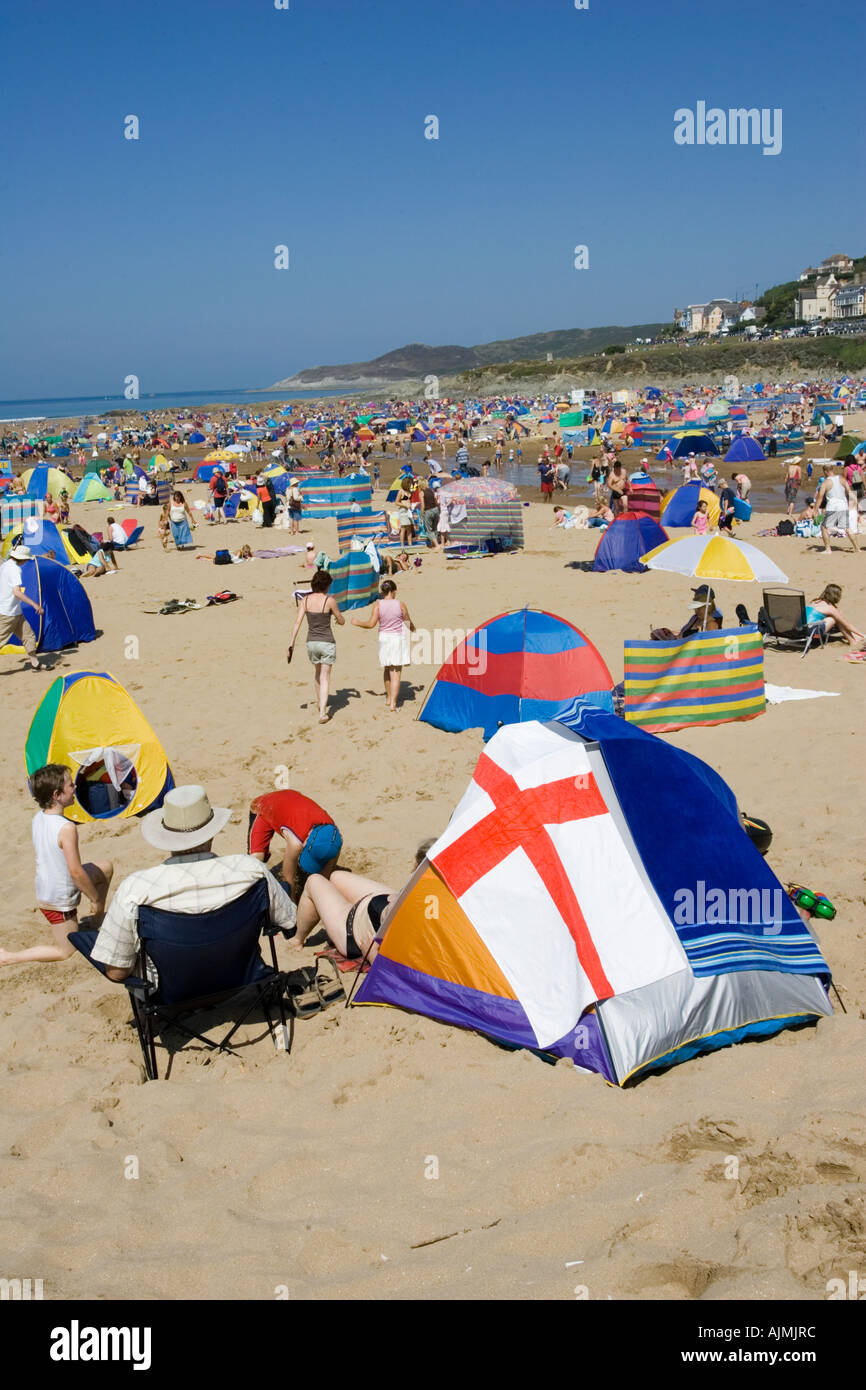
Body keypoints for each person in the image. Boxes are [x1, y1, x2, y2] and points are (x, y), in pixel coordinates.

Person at [88, 785, 295, 983]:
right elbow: (289, 921)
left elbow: (116, 972)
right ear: (212, 831)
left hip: (171, 993)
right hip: (241, 977)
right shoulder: (251, 870)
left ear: (165, 836)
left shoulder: (136, 888)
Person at [0, 764, 113, 967]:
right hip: (58, 899)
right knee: (65, 951)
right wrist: (95, 899)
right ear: (57, 794)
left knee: (105, 868)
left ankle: (95, 923)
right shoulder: (66, 828)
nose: (75, 786)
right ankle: (9, 957)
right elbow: (76, 871)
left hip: (49, 884)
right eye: (70, 785)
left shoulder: (39, 817)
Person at [292, 840, 432, 961]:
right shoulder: (429, 892)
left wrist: (371, 955)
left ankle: (297, 939)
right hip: (377, 904)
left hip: (352, 931)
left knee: (313, 881)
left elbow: (401, 964)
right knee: (336, 876)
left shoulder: (415, 913)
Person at [248, 789, 342, 899]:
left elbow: (326, 873)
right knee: (255, 860)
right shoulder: (295, 843)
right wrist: (291, 900)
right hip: (265, 806)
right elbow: (287, 878)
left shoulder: (334, 837)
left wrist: (321, 887)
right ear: (305, 841)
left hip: (292, 799)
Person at [287, 568, 345, 724]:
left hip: (311, 642)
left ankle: (320, 702)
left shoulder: (305, 600)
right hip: (326, 642)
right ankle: (322, 713)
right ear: (326, 586)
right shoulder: (329, 600)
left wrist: (291, 643)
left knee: (317, 673)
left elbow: (297, 623)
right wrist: (337, 618)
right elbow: (341, 620)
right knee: (325, 677)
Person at [351, 578, 416, 712]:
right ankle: (393, 703)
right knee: (396, 672)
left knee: (387, 669)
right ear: (394, 591)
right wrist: (414, 630)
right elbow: (408, 622)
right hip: (397, 639)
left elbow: (370, 624)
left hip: (384, 639)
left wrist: (358, 622)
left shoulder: (378, 605)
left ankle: (388, 698)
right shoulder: (400, 604)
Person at [0, 544, 44, 669]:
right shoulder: (15, 569)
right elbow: (17, 592)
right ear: (23, 559)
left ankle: (35, 662)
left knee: (28, 635)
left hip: (14, 611)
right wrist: (35, 604)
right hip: (8, 613)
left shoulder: (6, 564)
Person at [651, 585, 723, 640]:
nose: (696, 610)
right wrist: (668, 633)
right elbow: (683, 634)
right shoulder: (695, 618)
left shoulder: (711, 624)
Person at [814, 466, 859, 554]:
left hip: (832, 507)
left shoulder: (825, 482)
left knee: (824, 527)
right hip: (843, 506)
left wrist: (815, 509)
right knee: (847, 528)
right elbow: (850, 492)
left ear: (826, 471)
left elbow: (820, 498)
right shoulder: (842, 479)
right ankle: (857, 548)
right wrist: (857, 503)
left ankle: (828, 549)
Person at [419, 478, 440, 549]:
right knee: (435, 528)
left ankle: (436, 545)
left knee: (429, 530)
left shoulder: (421, 493)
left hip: (428, 511)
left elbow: (423, 505)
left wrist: (421, 516)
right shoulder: (431, 491)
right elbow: (435, 501)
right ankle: (434, 544)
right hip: (435, 509)